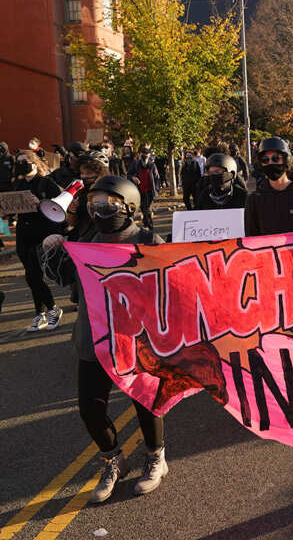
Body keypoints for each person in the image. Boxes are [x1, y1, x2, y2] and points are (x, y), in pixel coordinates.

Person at [42, 175, 168, 503]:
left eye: (107, 203)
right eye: (94, 203)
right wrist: (53, 249)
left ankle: (156, 457)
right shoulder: (86, 240)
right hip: (94, 338)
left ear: (128, 205)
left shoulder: (149, 240)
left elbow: (176, 281)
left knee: (145, 402)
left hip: (137, 339)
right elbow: (59, 278)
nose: (98, 210)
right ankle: (114, 459)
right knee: (90, 409)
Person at [13, 150, 64, 331]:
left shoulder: (46, 182)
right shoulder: (18, 184)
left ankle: (52, 309)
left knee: (34, 274)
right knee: (30, 275)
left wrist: (41, 202)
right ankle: (40, 313)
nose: (21, 165)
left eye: (25, 161)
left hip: (41, 233)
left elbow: (59, 207)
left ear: (35, 163)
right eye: (18, 162)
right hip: (23, 234)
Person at [244, 137, 293, 236]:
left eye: (275, 158)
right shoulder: (254, 200)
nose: (270, 163)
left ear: (286, 160)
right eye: (265, 160)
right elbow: (250, 240)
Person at [127, 146, 160, 228]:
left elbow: (157, 178)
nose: (145, 155)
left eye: (147, 154)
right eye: (143, 153)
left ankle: (150, 225)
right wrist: (133, 178)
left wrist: (156, 189)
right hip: (139, 190)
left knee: (148, 208)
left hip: (149, 191)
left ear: (149, 155)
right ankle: (146, 223)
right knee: (143, 207)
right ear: (140, 154)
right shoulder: (135, 164)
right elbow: (128, 174)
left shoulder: (152, 165)